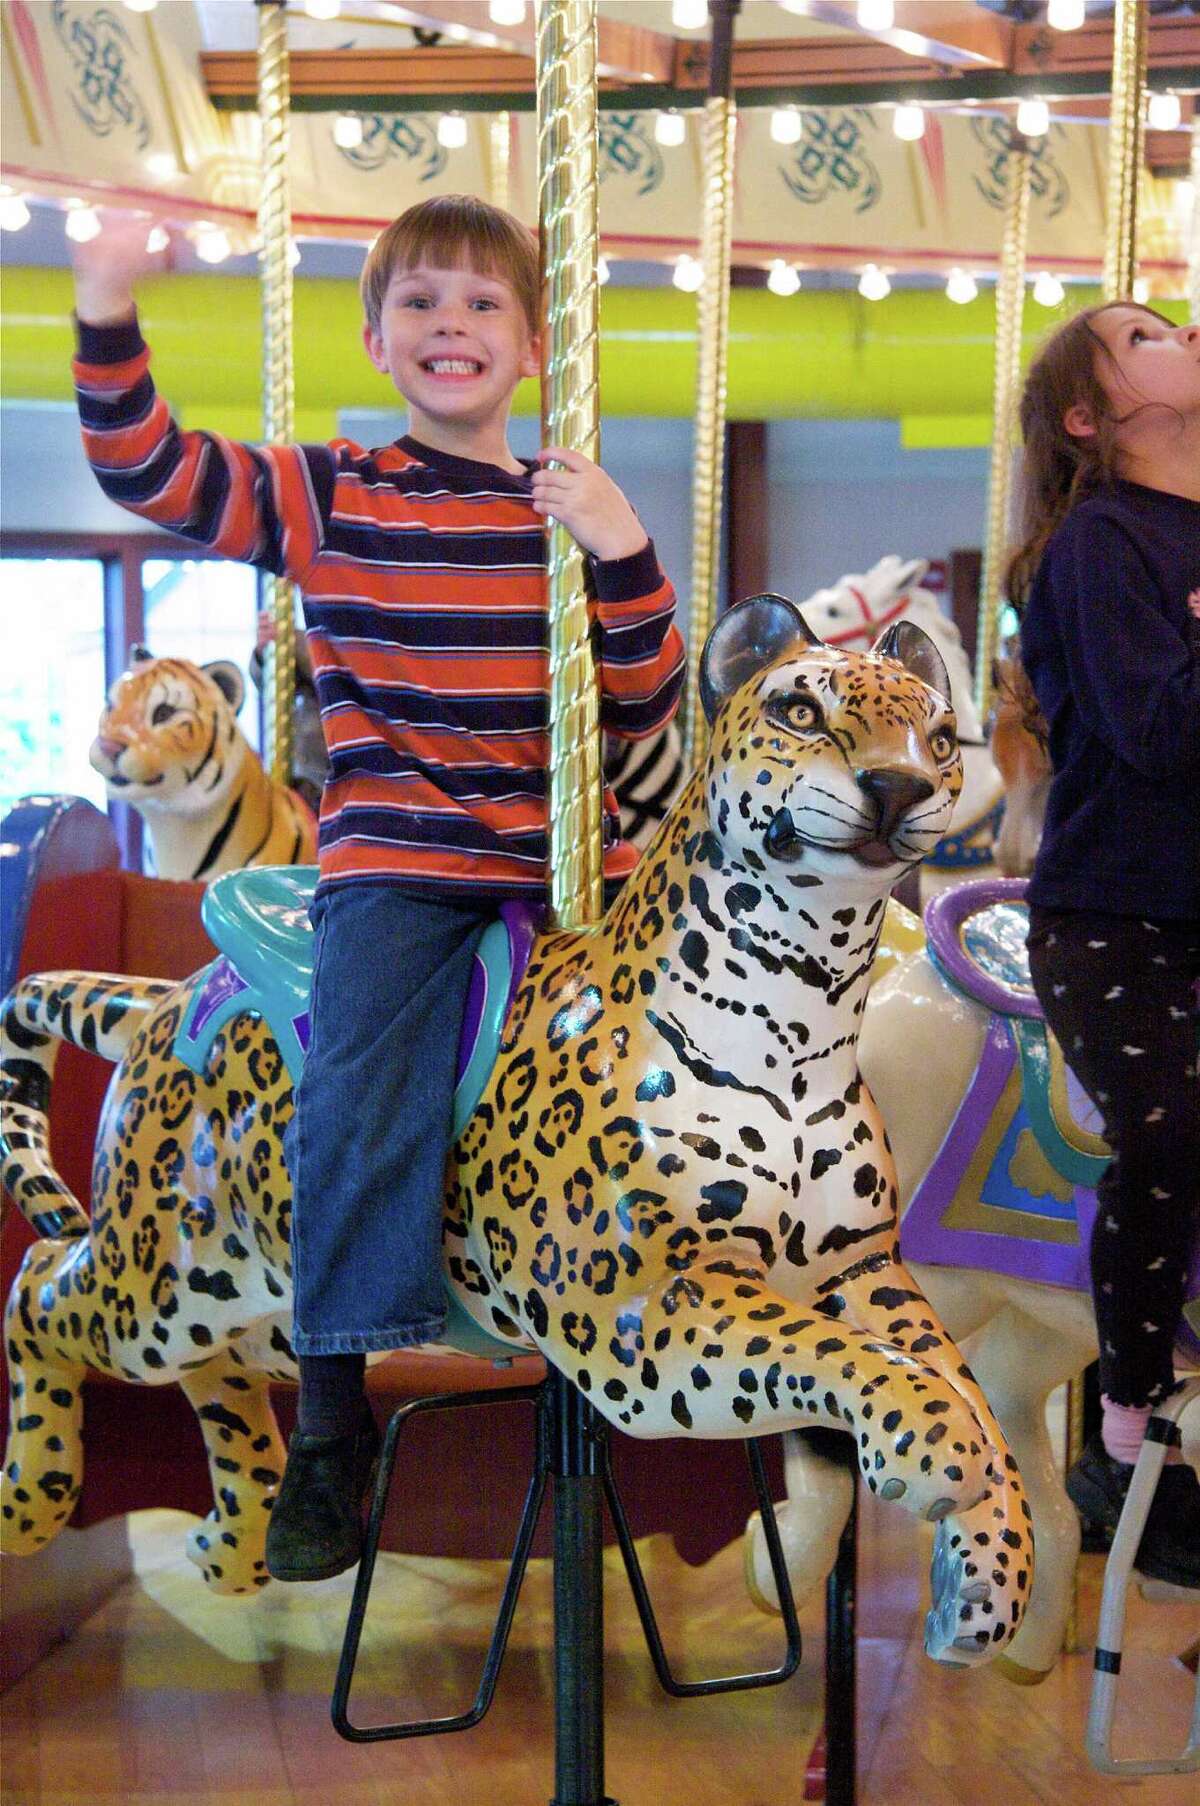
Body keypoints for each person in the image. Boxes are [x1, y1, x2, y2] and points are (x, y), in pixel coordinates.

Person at [72, 195, 685, 1582]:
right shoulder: (332, 488)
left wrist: (621, 541)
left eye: (481, 304)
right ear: (374, 335)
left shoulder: (559, 508)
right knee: (360, 1081)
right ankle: (336, 1413)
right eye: (421, 303)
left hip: (561, 867)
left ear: (534, 341)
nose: (450, 326)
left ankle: (651, 1310)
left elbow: (646, 700)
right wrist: (109, 302)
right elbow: (149, 470)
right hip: (403, 870)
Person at [1009, 300, 1200, 1587]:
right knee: (1176, 1129)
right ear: (1090, 414)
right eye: (1144, 338)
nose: (1180, 337)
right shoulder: (1099, 543)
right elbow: (1161, 729)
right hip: (1121, 915)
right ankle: (1124, 1431)